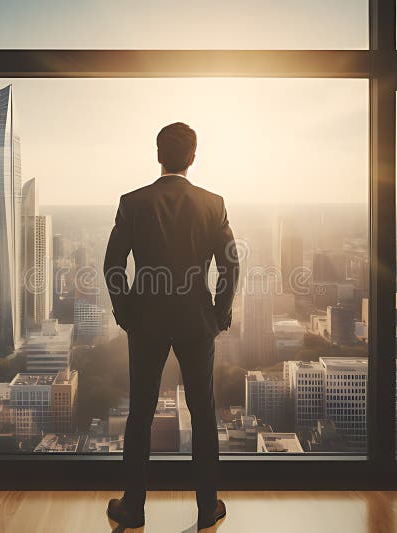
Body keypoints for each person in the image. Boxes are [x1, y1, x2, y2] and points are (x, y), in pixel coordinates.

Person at [103, 122, 239, 529]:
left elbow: (113, 266)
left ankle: (133, 508)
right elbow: (230, 266)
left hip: (145, 321)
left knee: (140, 414)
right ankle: (207, 507)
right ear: (193, 158)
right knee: (203, 413)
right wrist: (218, 313)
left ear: (158, 155)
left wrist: (126, 313)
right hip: (197, 321)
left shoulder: (133, 202)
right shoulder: (213, 204)